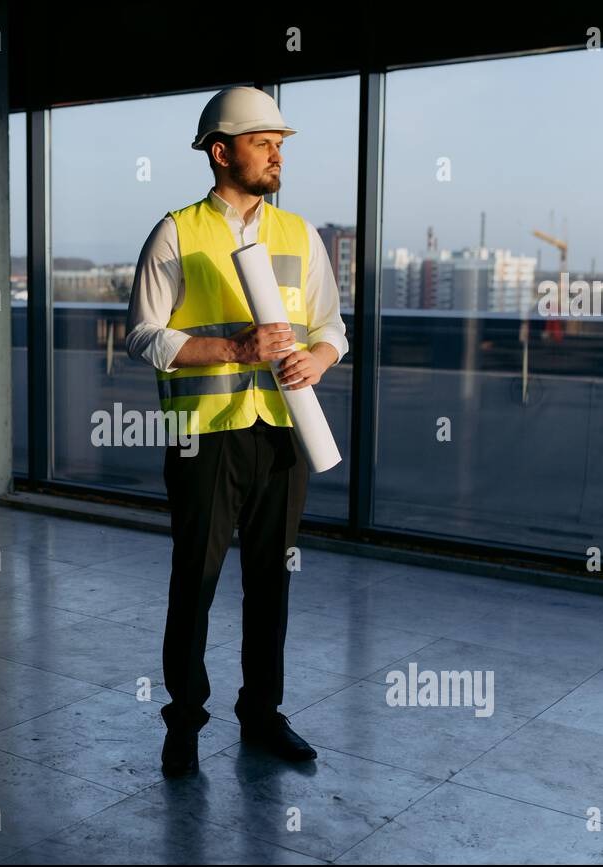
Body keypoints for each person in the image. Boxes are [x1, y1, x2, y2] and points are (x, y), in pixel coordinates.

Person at [124, 86, 349, 777]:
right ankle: (185, 721)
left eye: (280, 145)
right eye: (263, 143)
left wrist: (318, 356)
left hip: (282, 435)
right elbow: (141, 336)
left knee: (271, 582)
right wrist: (233, 350)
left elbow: (330, 327)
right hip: (207, 435)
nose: (277, 155)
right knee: (195, 581)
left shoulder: (299, 233)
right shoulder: (176, 233)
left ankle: (262, 716)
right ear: (222, 153)